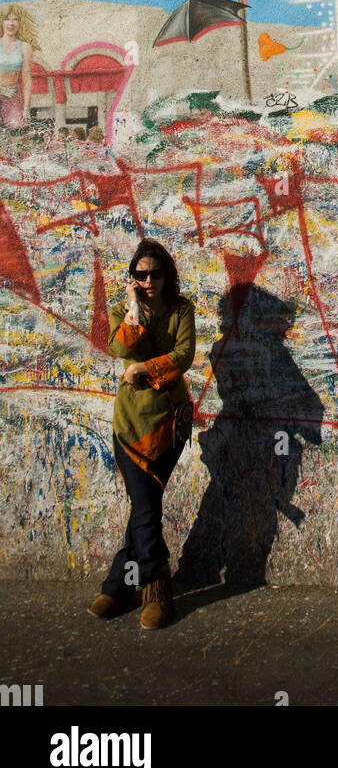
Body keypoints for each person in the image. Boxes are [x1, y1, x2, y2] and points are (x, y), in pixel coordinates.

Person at [88, 240, 196, 629]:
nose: (149, 280)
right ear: (132, 278)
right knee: (146, 508)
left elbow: (184, 354)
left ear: (167, 275)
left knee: (144, 508)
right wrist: (133, 306)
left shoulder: (182, 310)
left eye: (155, 274)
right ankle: (154, 587)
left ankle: (119, 586)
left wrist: (143, 370)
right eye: (141, 274)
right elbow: (120, 345)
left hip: (170, 424)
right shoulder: (122, 312)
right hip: (130, 427)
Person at [0, 4, 35, 129]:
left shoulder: (25, 47)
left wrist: (26, 108)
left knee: (16, 127)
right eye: (7, 19)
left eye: (15, 19)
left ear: (20, 23)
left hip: (13, 95)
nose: (11, 24)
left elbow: (27, 79)